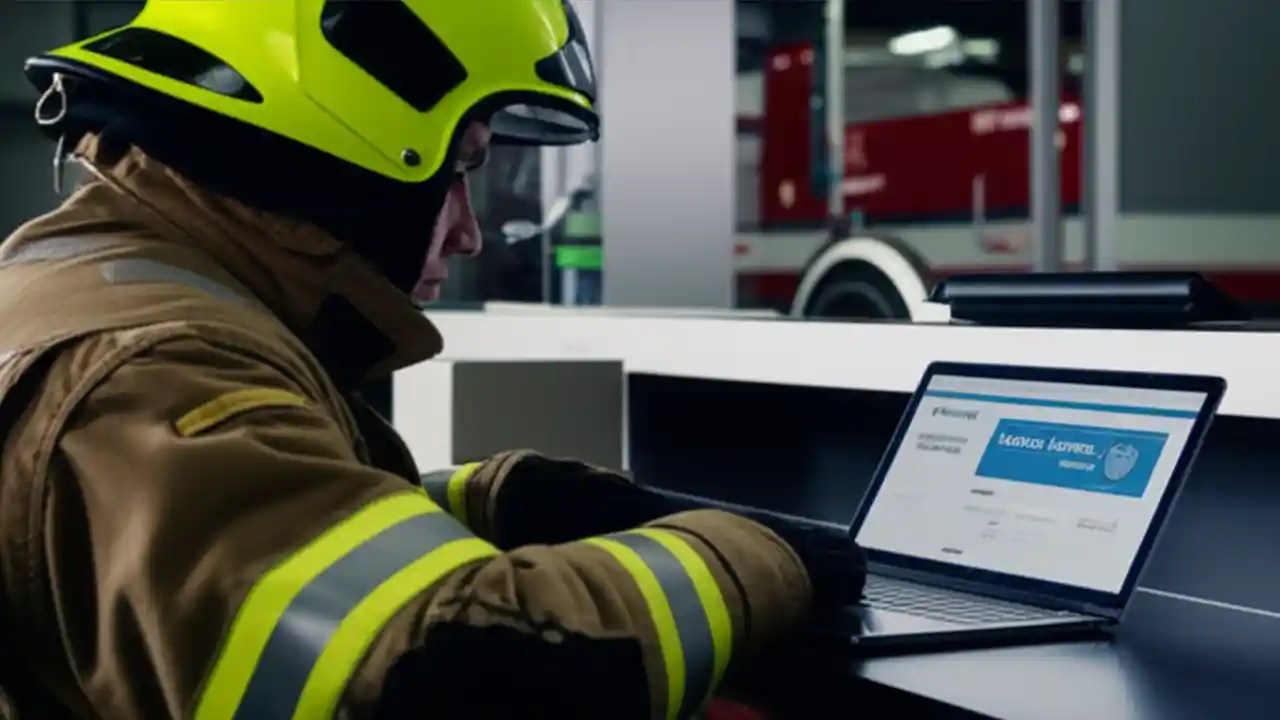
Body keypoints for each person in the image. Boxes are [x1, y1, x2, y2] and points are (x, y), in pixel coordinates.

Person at [0, 2, 866, 718]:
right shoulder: (163, 368)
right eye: (458, 172)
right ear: (344, 152)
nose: (468, 229)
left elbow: (235, 524)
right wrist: (757, 556)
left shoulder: (93, 279)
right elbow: (454, 668)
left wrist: (493, 500)